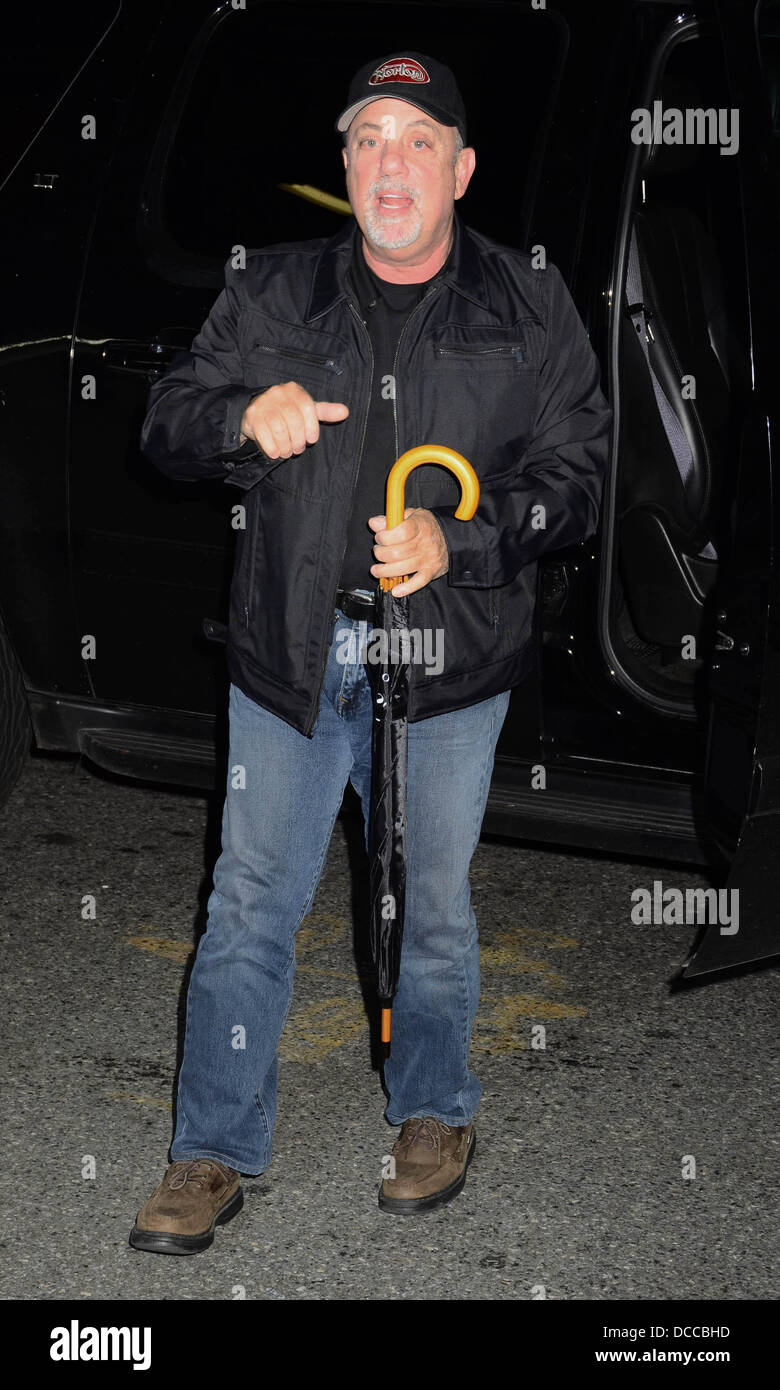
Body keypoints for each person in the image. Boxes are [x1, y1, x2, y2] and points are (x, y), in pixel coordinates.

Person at [130, 51, 612, 1255]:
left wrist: (467, 538)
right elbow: (167, 420)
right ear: (344, 166)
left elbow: (582, 480)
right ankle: (212, 1149)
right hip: (293, 659)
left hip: (446, 666)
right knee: (249, 902)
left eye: (415, 139)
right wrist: (242, 415)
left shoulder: (528, 302)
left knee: (433, 907)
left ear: (461, 166)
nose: (389, 163)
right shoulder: (274, 291)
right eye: (367, 139)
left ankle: (435, 1113)